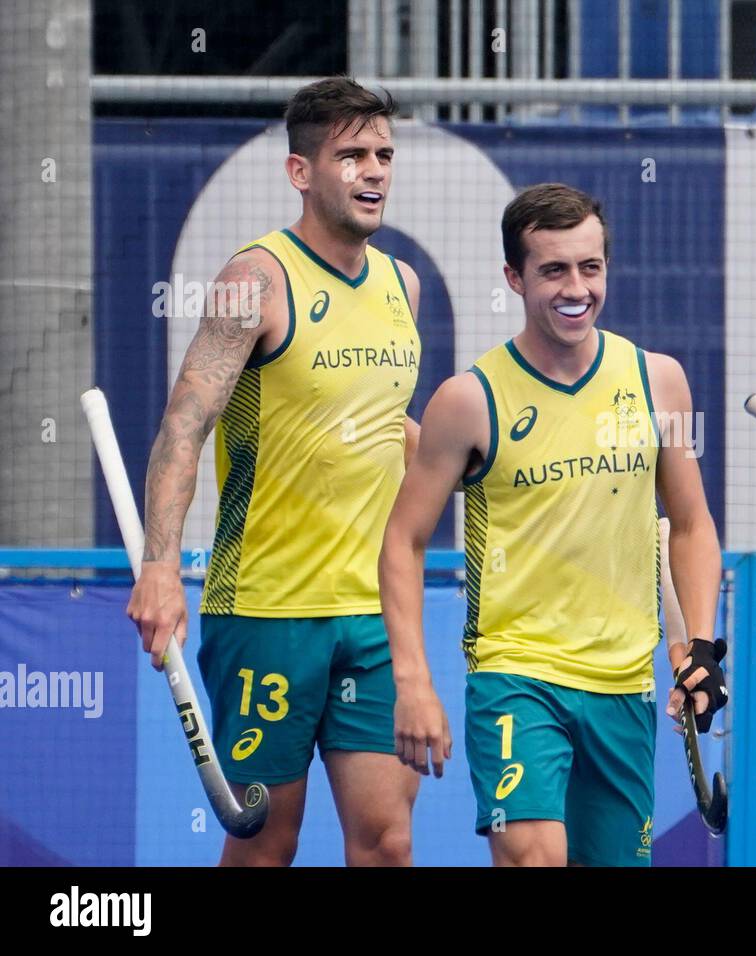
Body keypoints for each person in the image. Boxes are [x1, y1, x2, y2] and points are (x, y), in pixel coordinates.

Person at [126, 77, 429, 866]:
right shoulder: (255, 281)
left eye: (384, 154)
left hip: (372, 614)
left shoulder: (404, 286)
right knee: (267, 846)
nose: (373, 171)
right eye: (352, 154)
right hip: (266, 608)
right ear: (301, 172)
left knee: (388, 843)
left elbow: (387, 423)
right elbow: (183, 429)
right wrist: (160, 569)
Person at [378, 182, 727, 866]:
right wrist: (413, 680)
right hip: (515, 674)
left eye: (590, 268)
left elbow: (690, 526)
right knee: (534, 858)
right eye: (554, 270)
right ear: (514, 277)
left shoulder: (660, 382)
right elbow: (403, 539)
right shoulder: (467, 401)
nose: (577, 288)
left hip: (624, 685)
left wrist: (702, 649)